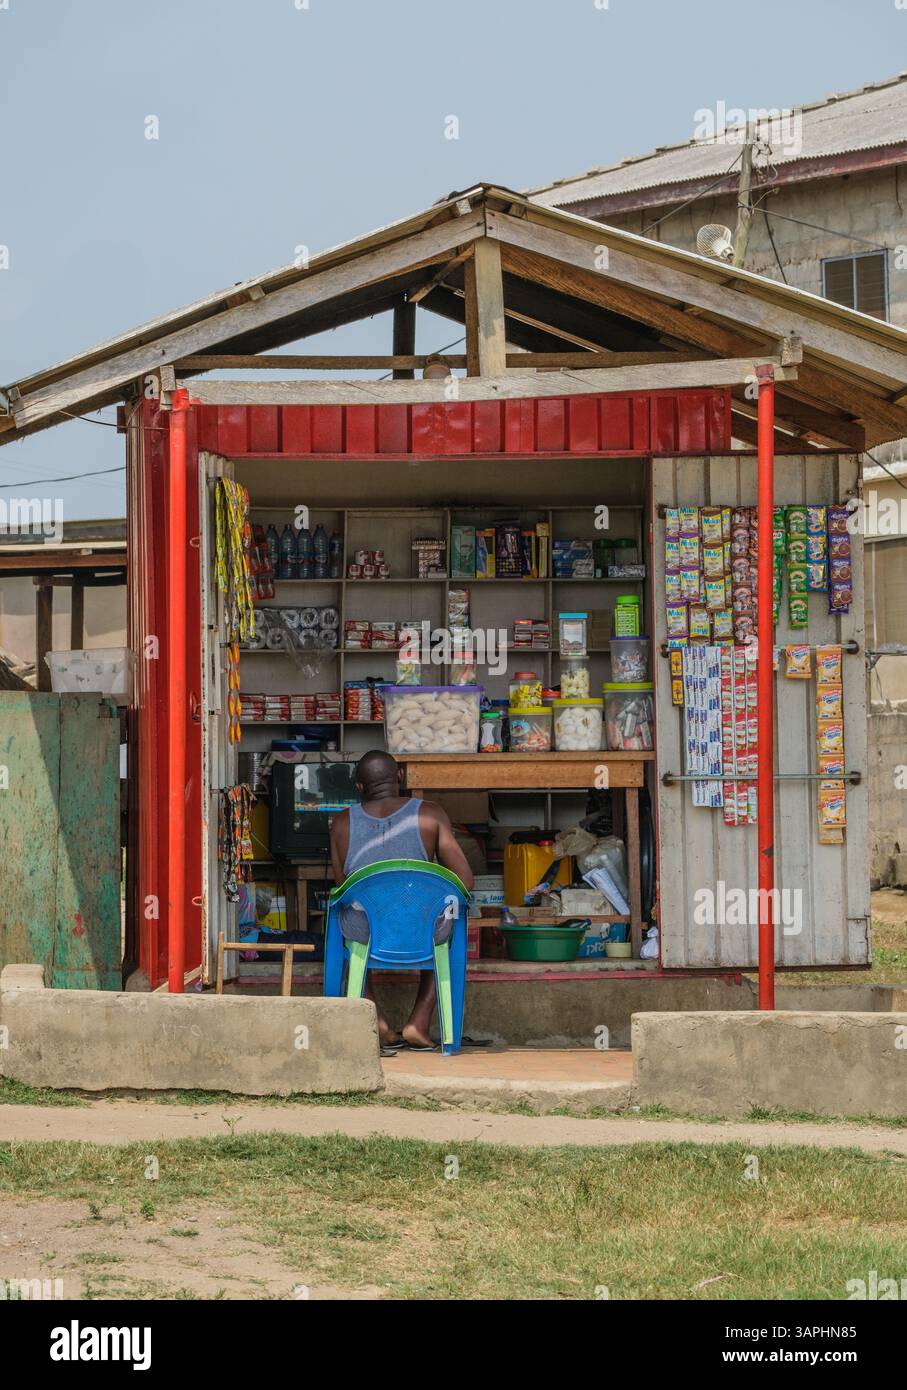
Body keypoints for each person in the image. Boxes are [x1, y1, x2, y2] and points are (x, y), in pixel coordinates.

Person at [329, 750, 474, 1051]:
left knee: (348, 927)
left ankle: (377, 1021)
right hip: (423, 930)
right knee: (447, 924)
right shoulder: (431, 813)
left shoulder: (342, 822)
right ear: (399, 777)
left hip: (367, 932)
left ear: (359, 788)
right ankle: (419, 1023)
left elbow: (342, 885)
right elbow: (464, 882)